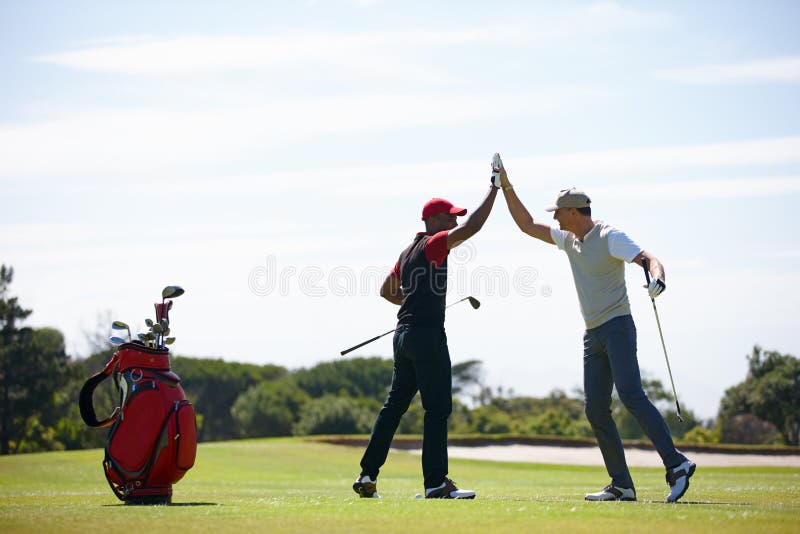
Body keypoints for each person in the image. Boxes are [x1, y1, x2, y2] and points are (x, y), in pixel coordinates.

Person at [495, 165, 695, 503]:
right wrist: (506, 186)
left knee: (631, 395)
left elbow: (648, 258)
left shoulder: (609, 236)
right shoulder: (569, 240)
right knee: (596, 409)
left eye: (559, 212)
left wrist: (657, 277)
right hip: (593, 334)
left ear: (573, 212)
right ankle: (622, 485)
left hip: (617, 326)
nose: (555, 218)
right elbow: (526, 224)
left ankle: (677, 465)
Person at [353, 178, 499, 500]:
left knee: (393, 407)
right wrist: (495, 190)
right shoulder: (433, 243)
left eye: (456, 217)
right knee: (437, 410)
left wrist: (411, 298)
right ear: (432, 221)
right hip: (427, 336)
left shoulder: (405, 253)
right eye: (450, 217)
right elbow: (473, 228)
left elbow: (386, 291)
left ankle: (367, 475)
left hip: (403, 337)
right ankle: (435, 483)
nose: (455, 222)